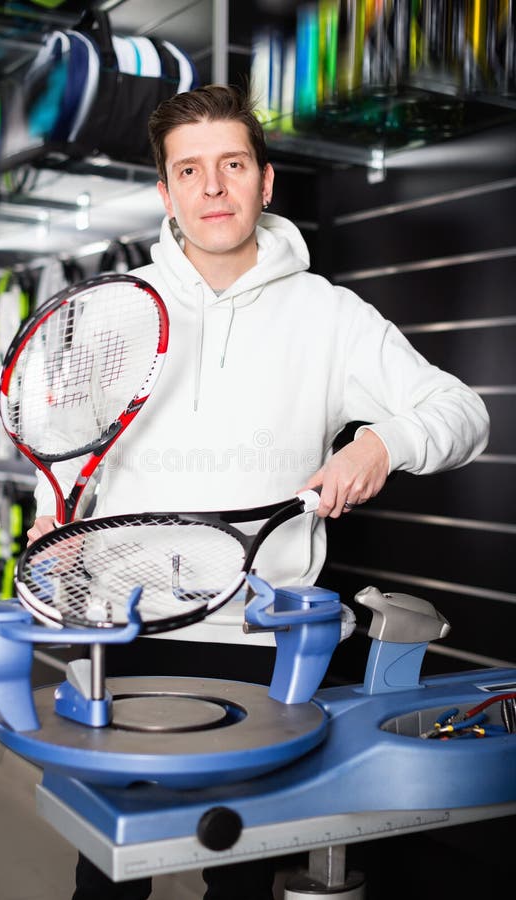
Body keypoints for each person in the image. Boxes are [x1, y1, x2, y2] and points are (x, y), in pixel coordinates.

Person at [27, 85, 489, 899]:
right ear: (165, 192)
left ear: (264, 181)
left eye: (232, 164)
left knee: (238, 877)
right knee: (106, 876)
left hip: (264, 645)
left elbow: (463, 411)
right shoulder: (115, 311)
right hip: (124, 640)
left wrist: (384, 441)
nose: (213, 187)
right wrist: (48, 529)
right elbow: (60, 453)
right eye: (190, 169)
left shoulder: (330, 316)